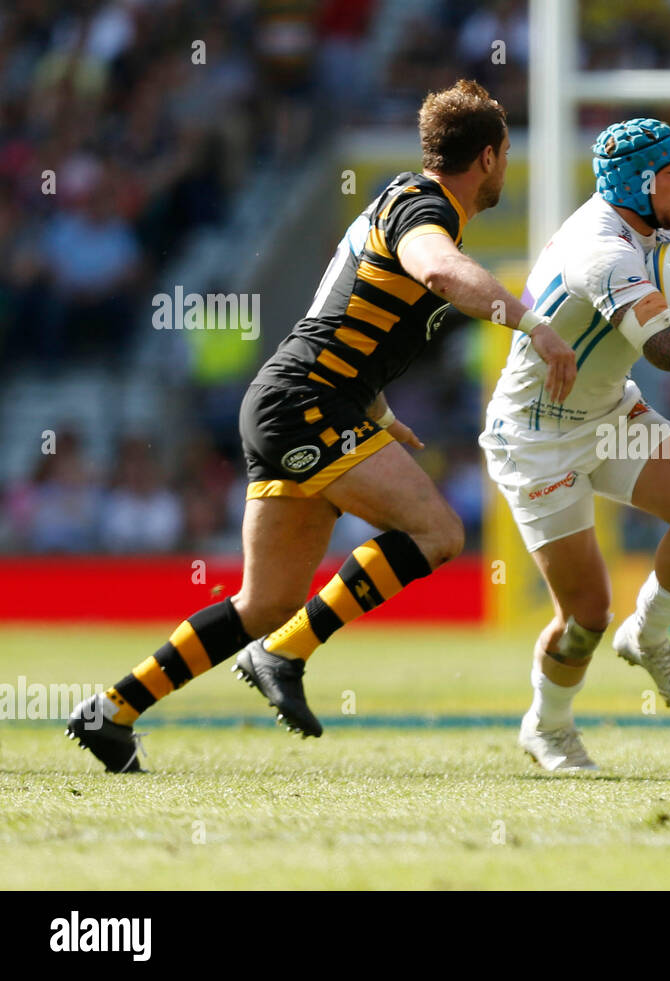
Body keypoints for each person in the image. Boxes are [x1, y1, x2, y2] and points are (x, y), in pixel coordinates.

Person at [67, 80, 577, 772]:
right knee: (438, 532)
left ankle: (111, 712)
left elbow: (338, 310)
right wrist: (533, 322)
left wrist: (377, 411)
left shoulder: (395, 199)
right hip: (306, 402)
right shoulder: (427, 213)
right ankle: (287, 652)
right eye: (507, 154)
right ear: (488, 157)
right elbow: (440, 271)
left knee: (264, 601)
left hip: (299, 399)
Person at [480, 118, 670, 771]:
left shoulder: (661, 227)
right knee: (585, 614)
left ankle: (651, 633)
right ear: (638, 182)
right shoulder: (600, 248)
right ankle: (546, 726)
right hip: (537, 434)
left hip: (606, 411)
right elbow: (668, 350)